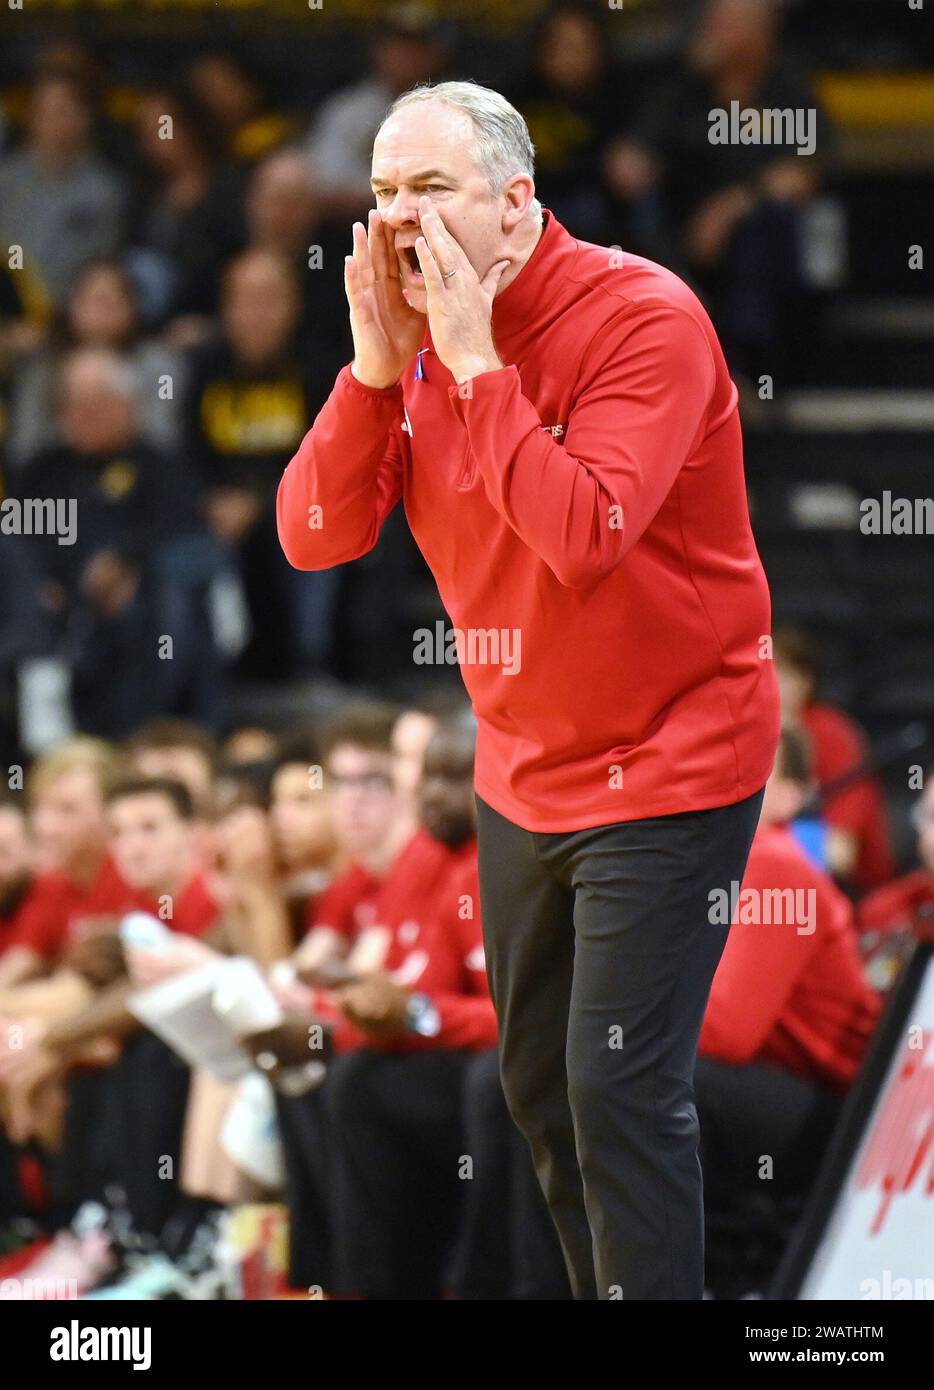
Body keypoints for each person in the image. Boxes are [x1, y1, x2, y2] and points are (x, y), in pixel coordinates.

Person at [277, 80, 779, 1299]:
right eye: (386, 193)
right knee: (540, 1091)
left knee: (616, 1084)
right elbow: (311, 535)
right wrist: (369, 373)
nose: (401, 220)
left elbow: (586, 532)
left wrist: (470, 363)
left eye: (431, 190)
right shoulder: (414, 339)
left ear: (515, 204)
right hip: (522, 763)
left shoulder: (641, 318)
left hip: (674, 752)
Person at [696, 726, 882, 1292]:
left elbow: (729, 1034)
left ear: (794, 796)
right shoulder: (712, 863)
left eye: (750, 769)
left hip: (838, 1116)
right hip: (778, 1086)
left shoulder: (772, 864)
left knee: (633, 1077)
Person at [773, 628, 893, 893]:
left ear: (805, 681)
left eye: (780, 671)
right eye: (758, 671)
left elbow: (841, 855)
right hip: (774, 879)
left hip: (849, 892)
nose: (768, 682)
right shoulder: (742, 734)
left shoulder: (833, 736)